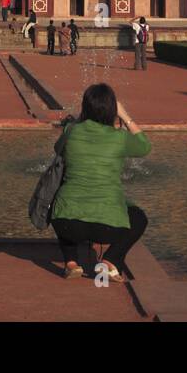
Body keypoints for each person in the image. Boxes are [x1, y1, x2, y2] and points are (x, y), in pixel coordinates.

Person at [51, 83, 150, 282]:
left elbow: (57, 149)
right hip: (108, 229)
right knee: (139, 218)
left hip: (66, 225)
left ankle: (71, 263)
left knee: (64, 201)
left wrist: (80, 120)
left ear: (84, 108)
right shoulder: (120, 138)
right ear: (113, 110)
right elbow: (144, 146)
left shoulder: (71, 131)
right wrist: (125, 115)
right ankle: (109, 261)